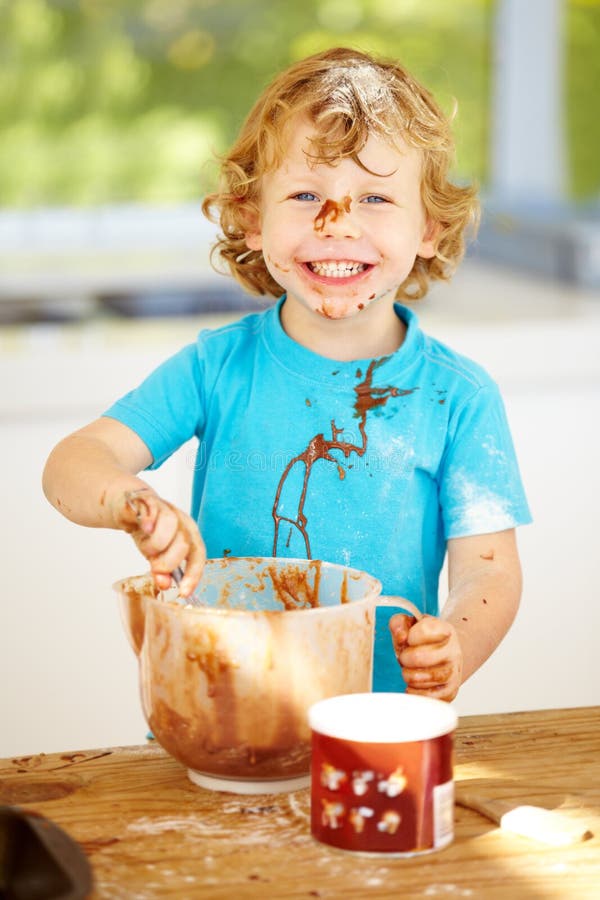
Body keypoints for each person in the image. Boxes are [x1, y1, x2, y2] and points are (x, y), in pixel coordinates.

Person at [42, 47, 531, 702]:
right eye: (305, 195)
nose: (339, 224)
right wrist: (129, 502)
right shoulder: (215, 368)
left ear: (429, 229)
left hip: (372, 726)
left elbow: (490, 571)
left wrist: (458, 644)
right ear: (252, 220)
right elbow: (74, 462)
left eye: (376, 197)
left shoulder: (458, 397)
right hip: (218, 714)